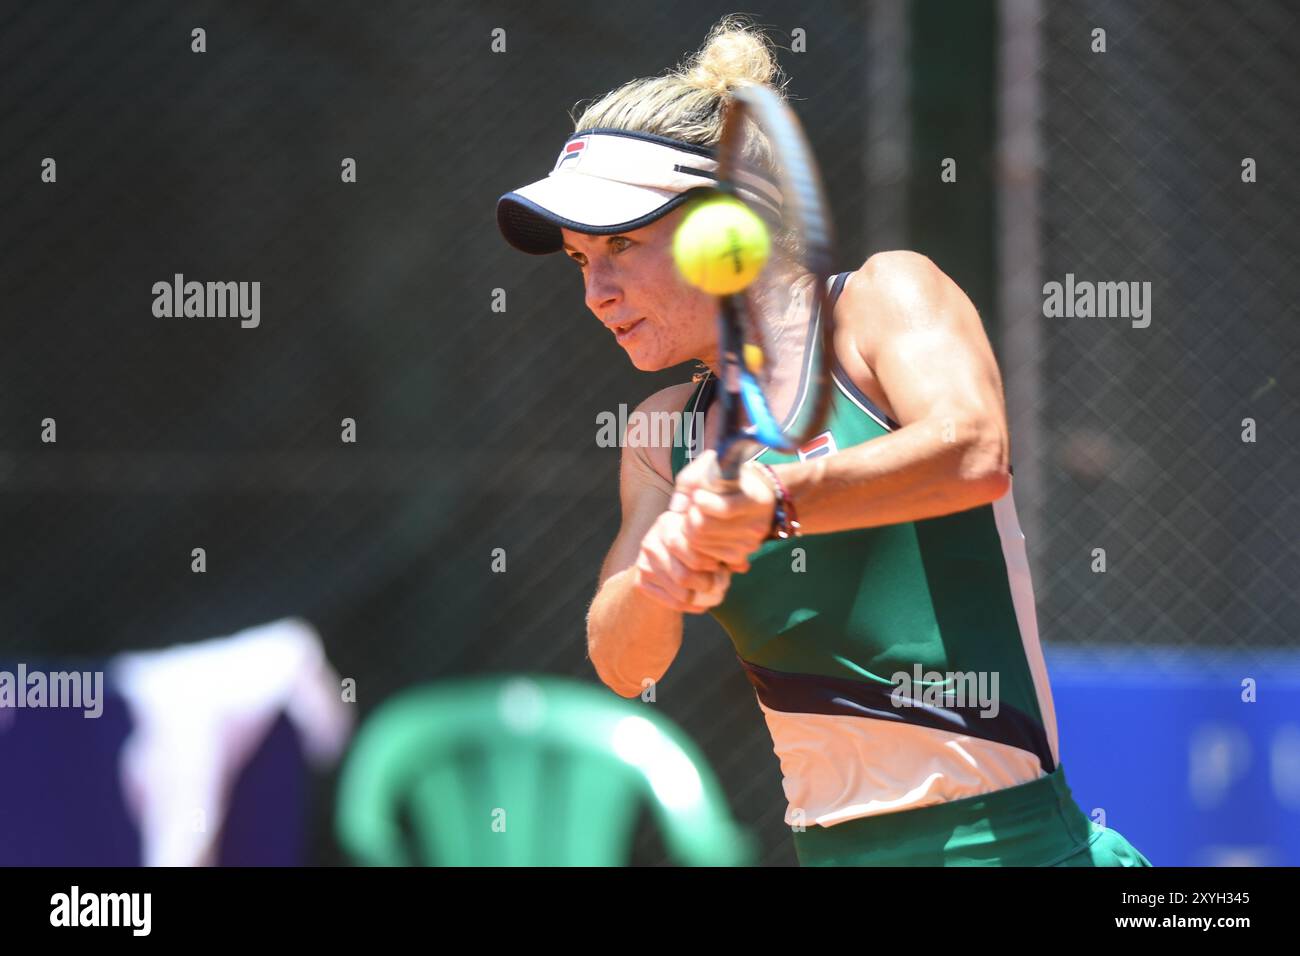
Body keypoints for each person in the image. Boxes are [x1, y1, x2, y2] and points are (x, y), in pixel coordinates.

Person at [496, 15, 1151, 867]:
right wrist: (664, 569)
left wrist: (770, 501)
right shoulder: (663, 431)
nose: (598, 292)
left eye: (622, 244)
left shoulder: (884, 301)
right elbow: (626, 666)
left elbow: (972, 451)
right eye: (582, 261)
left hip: (1010, 846)